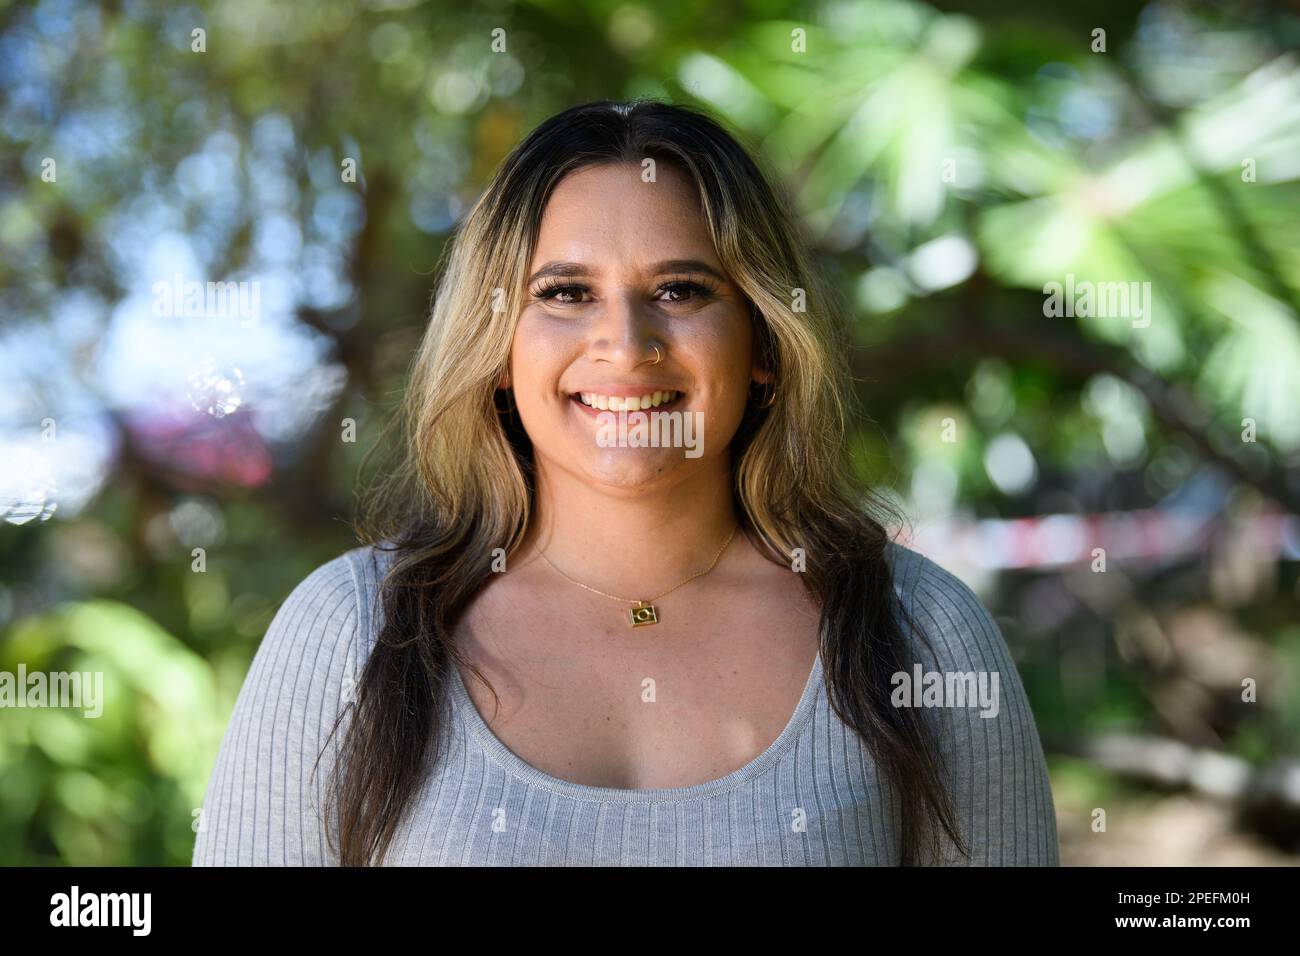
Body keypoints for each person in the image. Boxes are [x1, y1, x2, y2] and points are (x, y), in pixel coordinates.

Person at [192, 99, 1058, 867]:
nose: (626, 342)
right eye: (565, 292)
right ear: (498, 350)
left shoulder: (920, 637)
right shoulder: (349, 637)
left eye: (680, 289)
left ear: (761, 342)